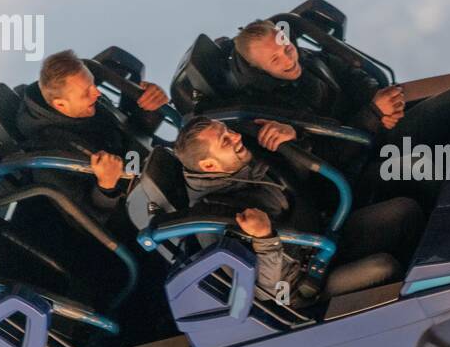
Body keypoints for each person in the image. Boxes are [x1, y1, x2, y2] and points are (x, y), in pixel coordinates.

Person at [172, 116, 425, 301]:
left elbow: (301, 177)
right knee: (384, 267)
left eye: (227, 130)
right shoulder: (215, 218)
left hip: (322, 239)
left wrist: (295, 138)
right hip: (300, 284)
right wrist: (264, 240)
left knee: (405, 211)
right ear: (208, 166)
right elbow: (270, 291)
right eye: (225, 140)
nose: (236, 136)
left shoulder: (245, 158)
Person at [223, 20, 450, 200]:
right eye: (275, 60)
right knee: (426, 167)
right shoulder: (268, 111)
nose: (289, 59)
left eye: (287, 48)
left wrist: (383, 106)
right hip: (352, 174)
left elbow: (355, 78)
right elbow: (327, 156)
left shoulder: (312, 61)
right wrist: (373, 114)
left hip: (376, 136)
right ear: (258, 70)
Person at [13, 49, 170, 225]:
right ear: (60, 104)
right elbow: (85, 220)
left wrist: (152, 102)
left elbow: (131, 135)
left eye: (93, 84)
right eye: (86, 92)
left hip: (151, 173)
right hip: (134, 217)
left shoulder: (91, 107)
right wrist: (105, 186)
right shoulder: (48, 153)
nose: (97, 93)